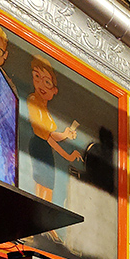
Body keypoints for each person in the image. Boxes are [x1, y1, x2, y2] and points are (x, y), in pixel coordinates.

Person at [27, 55, 82, 204]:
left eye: (47, 82)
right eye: (36, 76)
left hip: (43, 146)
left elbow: (50, 135)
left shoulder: (44, 108)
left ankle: (44, 220)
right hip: (40, 146)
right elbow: (47, 138)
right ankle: (41, 217)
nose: (41, 84)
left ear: (54, 90)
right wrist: (68, 156)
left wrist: (65, 134)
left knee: (47, 184)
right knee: (43, 182)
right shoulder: (33, 101)